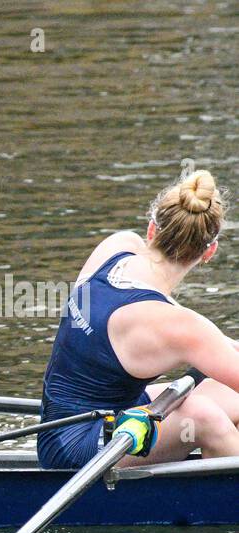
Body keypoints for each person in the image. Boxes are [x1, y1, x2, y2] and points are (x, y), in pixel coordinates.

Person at [37, 169, 239, 468]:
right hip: (74, 446)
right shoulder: (180, 326)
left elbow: (225, 349)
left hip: (106, 418)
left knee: (228, 396)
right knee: (203, 415)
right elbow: (206, 341)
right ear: (209, 251)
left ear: (152, 230)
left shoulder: (115, 247)